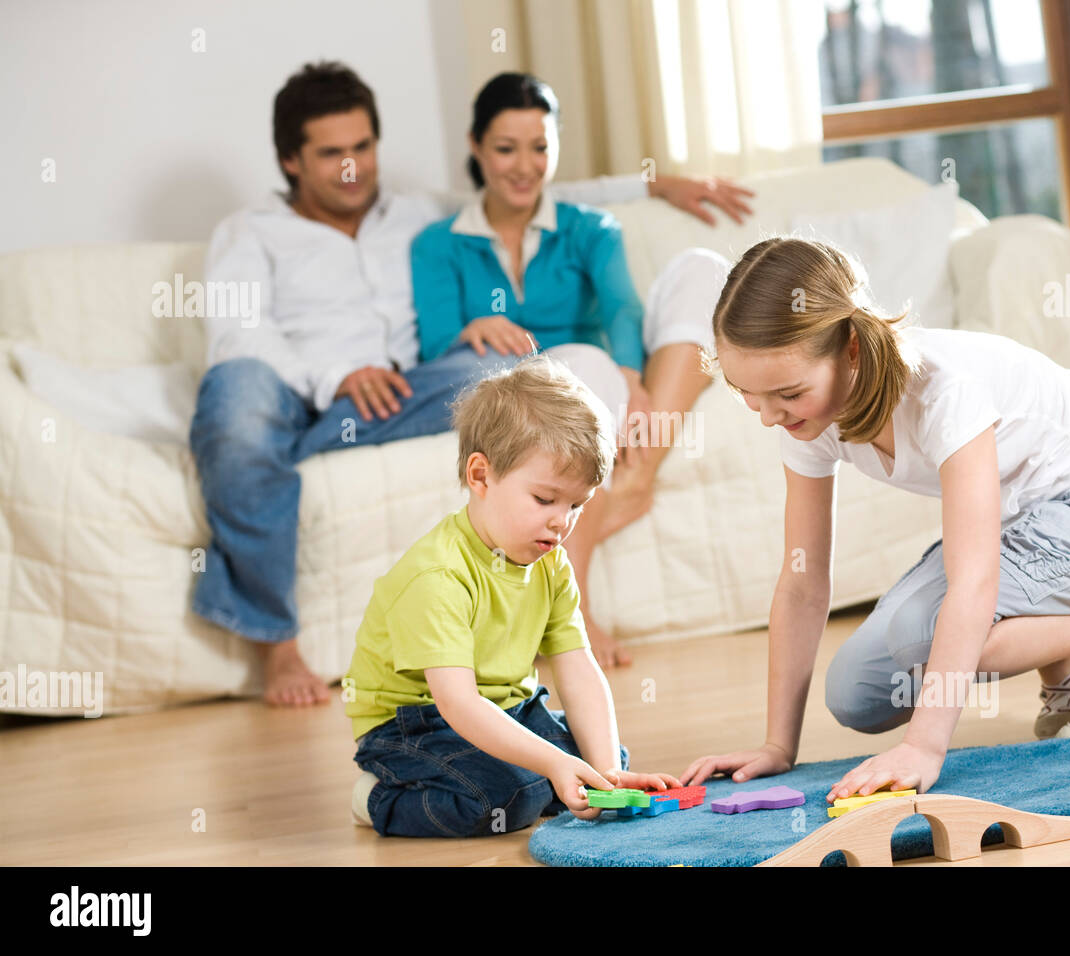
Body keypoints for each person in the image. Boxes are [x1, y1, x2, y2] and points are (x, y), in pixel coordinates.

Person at [190, 62, 756, 707]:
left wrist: (658, 182)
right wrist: (336, 376)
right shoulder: (249, 232)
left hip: (411, 394)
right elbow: (240, 334)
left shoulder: (416, 212)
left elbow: (530, 182)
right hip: (299, 396)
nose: (352, 168)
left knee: (541, 369)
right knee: (234, 400)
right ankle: (278, 646)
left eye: (363, 148)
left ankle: (608, 508)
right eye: (330, 154)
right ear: (291, 160)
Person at [680, 237, 1070, 803]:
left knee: (920, 635)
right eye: (748, 395)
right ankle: (1062, 658)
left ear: (851, 348)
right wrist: (777, 746)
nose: (769, 416)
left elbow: (974, 583)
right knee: (854, 691)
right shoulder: (801, 420)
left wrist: (924, 747)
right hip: (1027, 527)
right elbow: (803, 584)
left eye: (786, 393)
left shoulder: (941, 389)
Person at [411, 72, 738, 669]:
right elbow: (434, 340)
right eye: (505, 149)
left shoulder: (590, 227)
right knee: (583, 367)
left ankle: (636, 479)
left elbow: (620, 307)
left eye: (540, 148)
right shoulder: (437, 243)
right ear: (476, 147)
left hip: (610, 379)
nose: (524, 166)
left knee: (705, 269)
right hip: (545, 386)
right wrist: (469, 331)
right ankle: (574, 615)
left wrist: (632, 374)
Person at [345, 357, 680, 836]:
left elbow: (577, 665)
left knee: (601, 760)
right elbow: (458, 704)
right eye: (545, 500)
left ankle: (552, 777)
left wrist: (607, 772)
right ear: (480, 476)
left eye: (576, 505)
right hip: (415, 723)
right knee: (507, 796)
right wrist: (551, 765)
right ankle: (377, 797)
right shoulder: (438, 575)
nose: (561, 521)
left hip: (506, 705)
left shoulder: (550, 563)